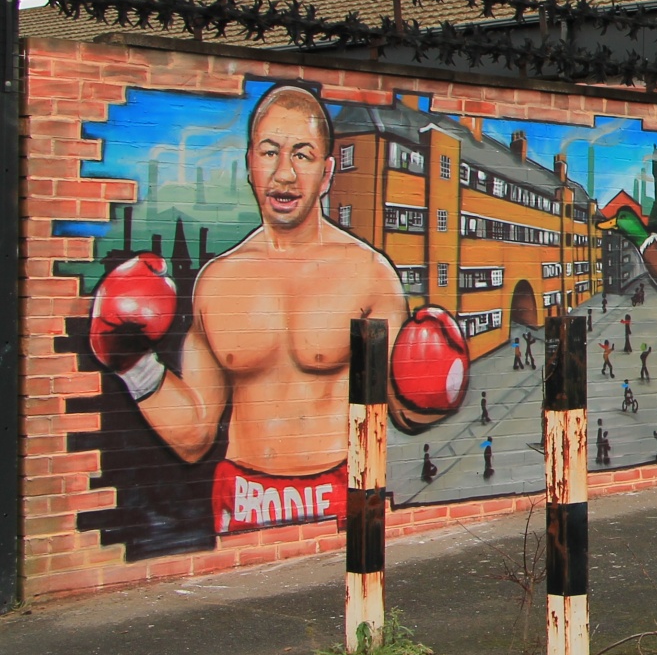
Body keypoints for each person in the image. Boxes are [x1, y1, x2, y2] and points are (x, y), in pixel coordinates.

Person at [87, 83, 467, 536]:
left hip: (339, 489)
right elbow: (193, 437)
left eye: (302, 156)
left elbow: (403, 412)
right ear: (250, 163)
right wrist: (132, 362)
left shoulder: (368, 273)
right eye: (270, 152)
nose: (284, 174)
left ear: (326, 173)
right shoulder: (217, 281)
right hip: (243, 497)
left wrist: (434, 385)